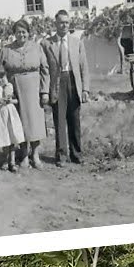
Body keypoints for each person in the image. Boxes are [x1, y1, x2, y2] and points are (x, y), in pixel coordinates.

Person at [41, 10, 89, 166]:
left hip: (73, 82)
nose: (64, 25)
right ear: (55, 24)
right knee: (60, 121)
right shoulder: (46, 44)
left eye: (67, 22)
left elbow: (84, 67)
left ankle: (76, 154)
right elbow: (45, 69)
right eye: (61, 22)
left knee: (74, 120)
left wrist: (85, 89)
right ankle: (61, 156)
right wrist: (45, 91)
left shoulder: (77, 42)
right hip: (57, 83)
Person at [0, 19, 47, 168]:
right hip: (15, 90)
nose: (21, 35)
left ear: (28, 33)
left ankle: (36, 155)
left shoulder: (37, 48)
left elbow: (45, 70)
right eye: (18, 32)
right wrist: (5, 88)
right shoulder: (6, 50)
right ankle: (24, 155)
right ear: (14, 34)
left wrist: (44, 91)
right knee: (19, 122)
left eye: (24, 32)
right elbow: (0, 71)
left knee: (34, 122)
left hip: (34, 89)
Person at [0, 62, 26, 173]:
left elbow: (17, 100)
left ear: (6, 75)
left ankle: (12, 161)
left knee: (12, 135)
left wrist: (10, 100)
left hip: (10, 112)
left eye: (2, 77)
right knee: (4, 136)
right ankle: (5, 159)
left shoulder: (9, 86)